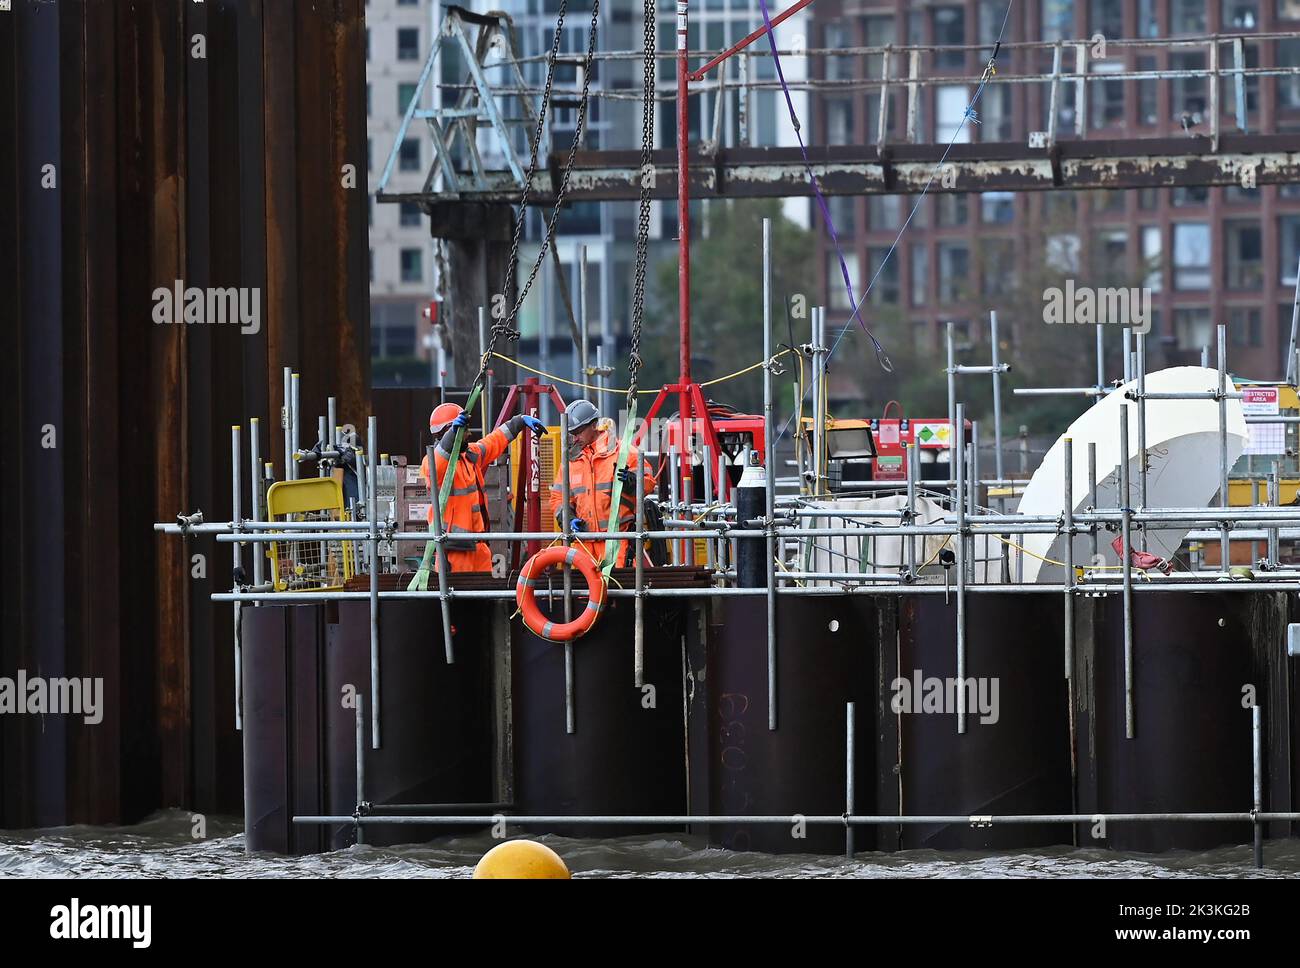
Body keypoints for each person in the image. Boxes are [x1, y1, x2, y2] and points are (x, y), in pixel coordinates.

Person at [419, 403, 544, 573]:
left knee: (484, 597)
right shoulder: (433, 462)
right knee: (461, 600)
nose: (469, 434)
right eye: (464, 430)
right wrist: (453, 434)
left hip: (480, 547)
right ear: (449, 431)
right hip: (454, 553)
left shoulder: (470, 455)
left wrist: (519, 422)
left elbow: (494, 441)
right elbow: (437, 463)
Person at [548, 399, 654, 566]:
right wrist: (567, 519)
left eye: (578, 432)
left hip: (618, 543)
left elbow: (648, 484)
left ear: (593, 425)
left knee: (618, 590)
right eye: (572, 433)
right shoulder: (570, 461)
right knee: (586, 592)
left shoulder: (623, 452)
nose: (575, 438)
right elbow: (558, 498)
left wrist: (632, 482)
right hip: (583, 545)